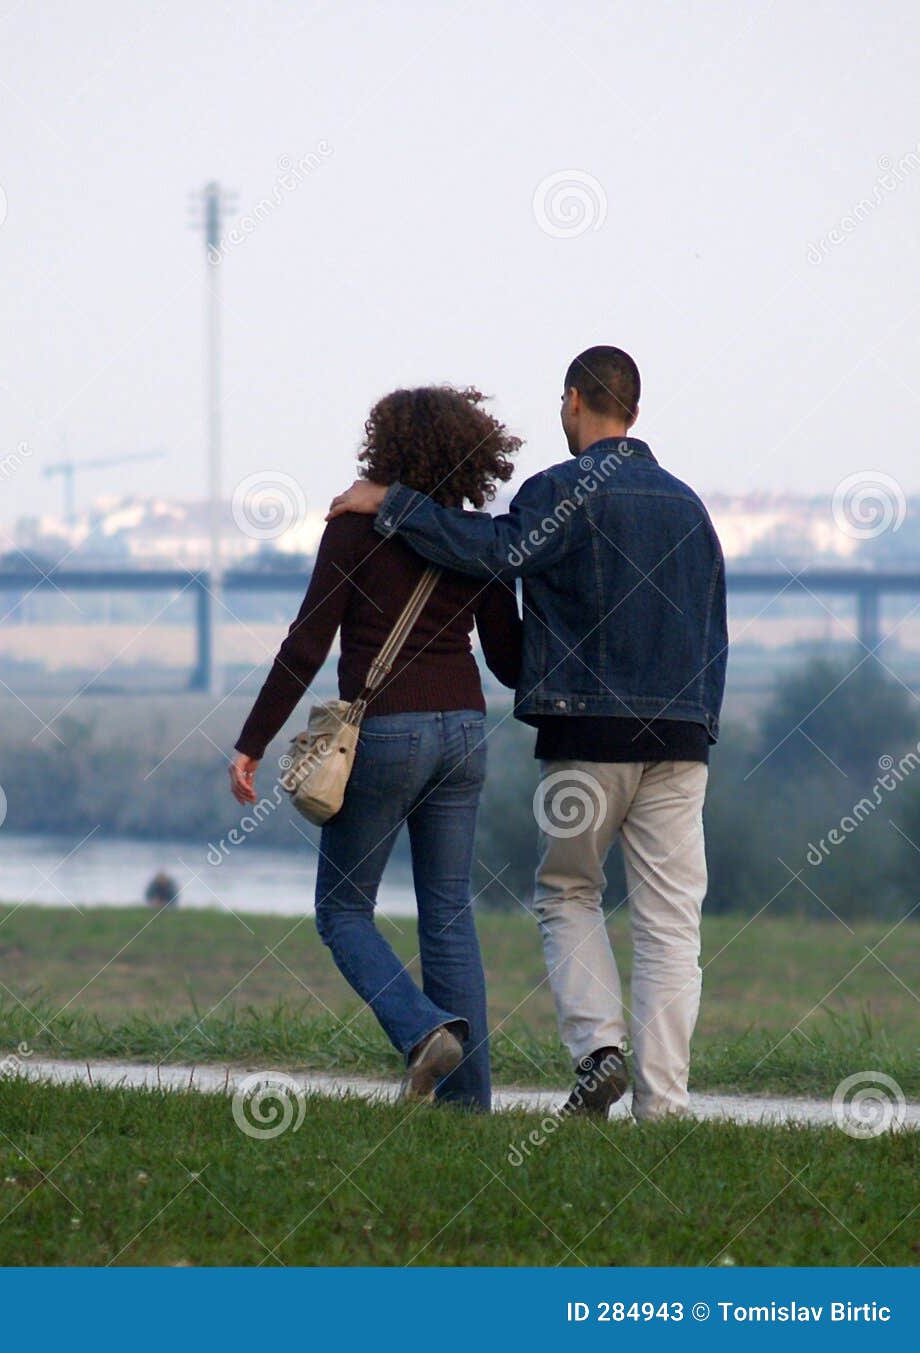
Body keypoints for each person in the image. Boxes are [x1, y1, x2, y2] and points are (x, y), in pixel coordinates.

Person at [327, 346, 727, 1122]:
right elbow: (714, 625)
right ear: (635, 413)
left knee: (568, 890)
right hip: (682, 742)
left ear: (574, 401)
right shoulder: (690, 507)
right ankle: (666, 1109)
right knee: (672, 923)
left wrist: (394, 502)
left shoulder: (561, 489)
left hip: (588, 741)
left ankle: (598, 1050)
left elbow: (493, 553)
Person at [230, 386, 522, 1111]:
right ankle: (467, 1106)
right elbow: (513, 661)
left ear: (383, 448)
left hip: (386, 731)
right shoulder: (475, 539)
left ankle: (422, 1032)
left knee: (342, 911)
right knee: (449, 915)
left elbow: (306, 644)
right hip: (465, 731)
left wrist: (252, 741)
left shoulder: (354, 532)